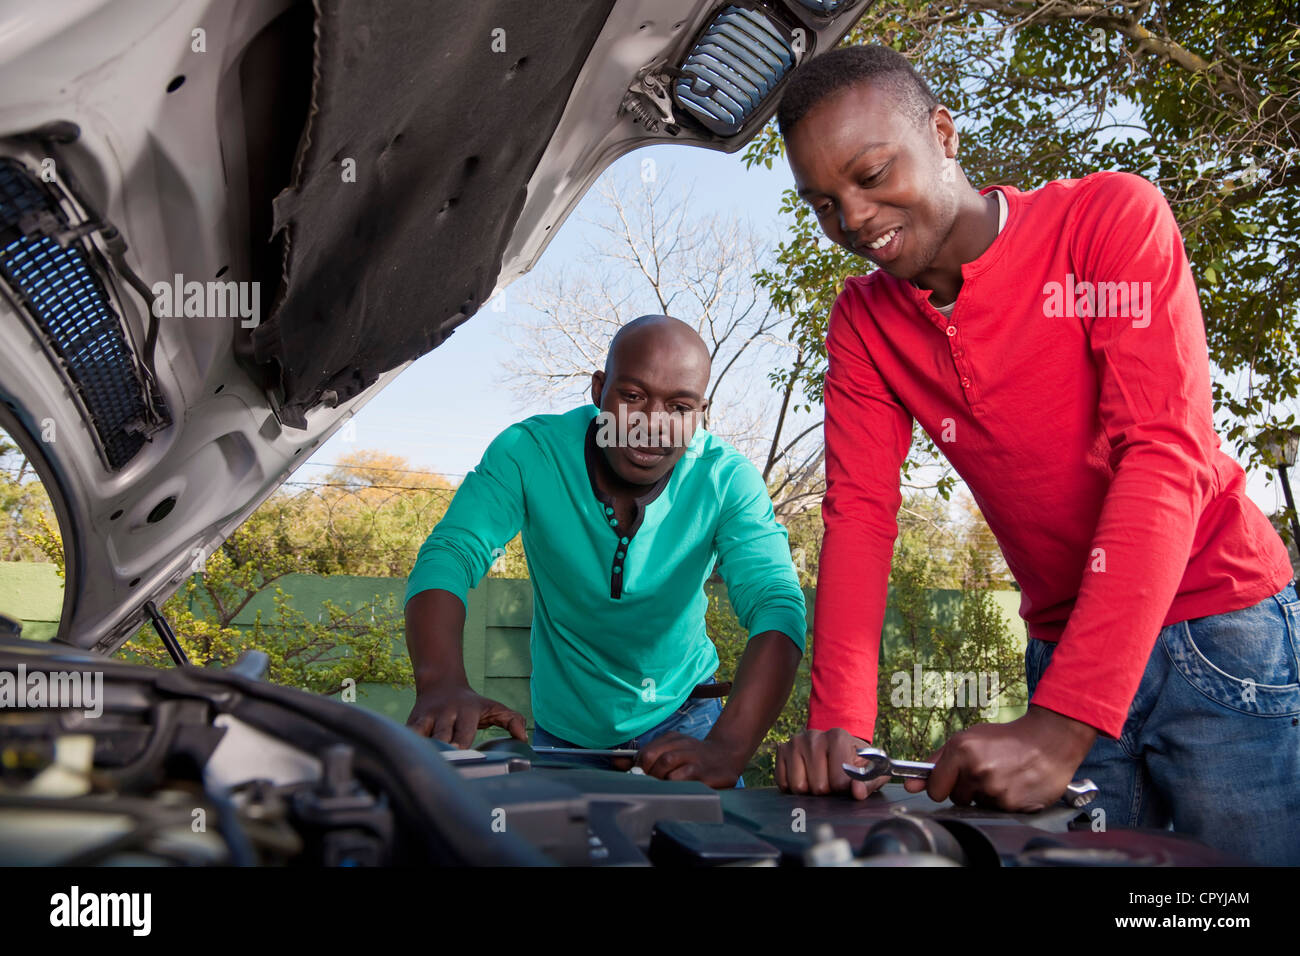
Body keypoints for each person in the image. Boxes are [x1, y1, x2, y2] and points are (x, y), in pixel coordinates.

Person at [772, 45, 1299, 864]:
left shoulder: (1109, 220)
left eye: (872, 173)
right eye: (823, 202)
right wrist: (839, 726)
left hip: (1220, 631)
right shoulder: (865, 323)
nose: (854, 218)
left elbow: (1162, 453)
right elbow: (860, 517)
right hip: (1061, 647)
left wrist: (1064, 724)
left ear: (944, 134)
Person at [404, 314, 807, 788]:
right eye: (632, 396)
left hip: (687, 721)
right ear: (599, 390)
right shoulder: (529, 453)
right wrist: (441, 682)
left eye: (679, 407)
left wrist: (728, 747)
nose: (651, 426)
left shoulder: (726, 480)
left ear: (700, 413)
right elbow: (452, 553)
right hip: (566, 736)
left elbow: (776, 602)